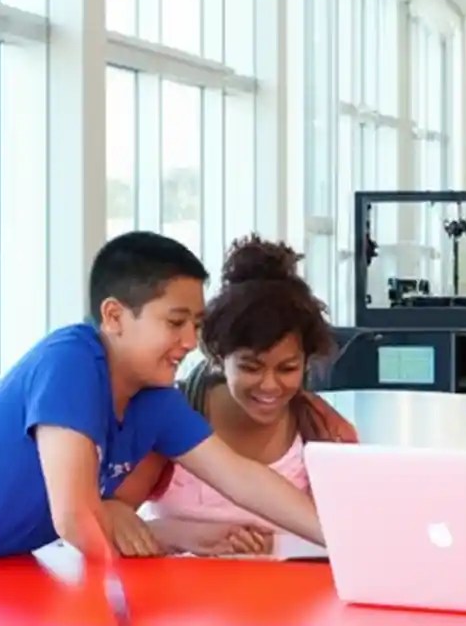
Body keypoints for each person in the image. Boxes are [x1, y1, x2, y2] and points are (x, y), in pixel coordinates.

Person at [0, 232, 325, 582]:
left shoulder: (156, 401)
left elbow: (241, 478)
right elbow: (75, 517)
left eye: (196, 326)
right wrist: (118, 603)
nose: (189, 341)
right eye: (175, 322)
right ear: (114, 316)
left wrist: (342, 538)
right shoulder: (69, 360)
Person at [109, 236, 358, 555]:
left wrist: (283, 542)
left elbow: (355, 536)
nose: (269, 385)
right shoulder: (172, 420)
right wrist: (182, 535)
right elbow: (108, 521)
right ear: (217, 355)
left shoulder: (324, 433)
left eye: (287, 368)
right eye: (250, 368)